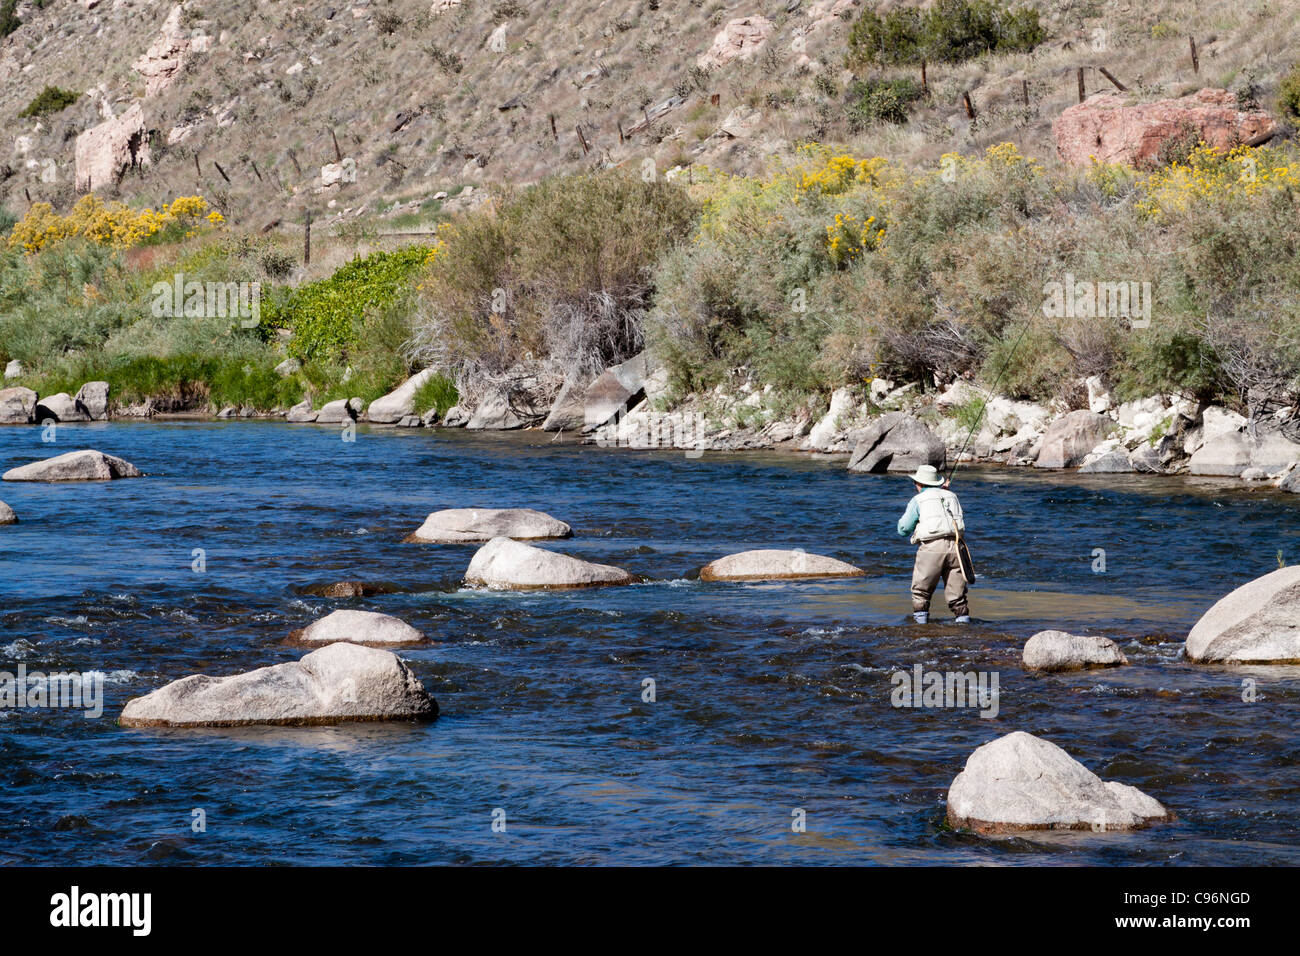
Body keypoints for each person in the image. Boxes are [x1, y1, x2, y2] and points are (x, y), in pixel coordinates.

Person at [896, 464, 970, 624]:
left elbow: (903, 529)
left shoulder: (918, 500)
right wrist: (944, 492)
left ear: (919, 484)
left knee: (921, 593)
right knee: (958, 596)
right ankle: (965, 630)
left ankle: (921, 631)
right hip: (957, 547)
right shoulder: (952, 496)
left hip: (932, 548)